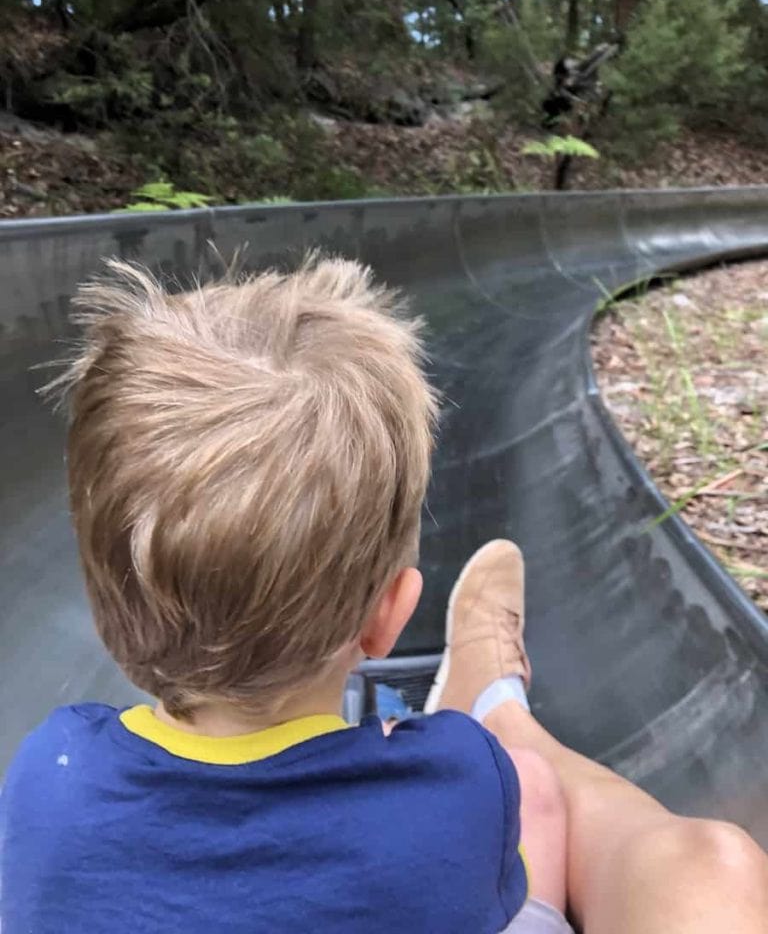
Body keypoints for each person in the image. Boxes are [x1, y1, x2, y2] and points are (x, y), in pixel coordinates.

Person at [1, 258, 766, 934]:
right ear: (389, 614)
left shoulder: (50, 770)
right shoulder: (460, 779)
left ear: (105, 614)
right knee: (538, 788)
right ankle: (495, 707)